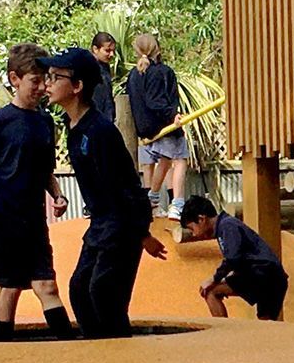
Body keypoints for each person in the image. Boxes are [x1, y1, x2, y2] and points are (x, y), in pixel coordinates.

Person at [42, 46, 158, 337]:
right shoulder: (74, 129)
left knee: (103, 293)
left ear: (77, 86)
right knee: (79, 290)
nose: (48, 83)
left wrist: (141, 233)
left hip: (120, 225)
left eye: (56, 77)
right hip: (101, 223)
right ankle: (98, 353)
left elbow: (125, 184)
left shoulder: (101, 132)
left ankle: (118, 357)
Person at [0, 42, 74, 336]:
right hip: (1, 214)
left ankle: (72, 347)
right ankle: (3, 348)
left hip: (32, 216)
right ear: (15, 79)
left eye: (45, 80)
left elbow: (46, 171)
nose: (41, 87)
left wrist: (58, 195)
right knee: (11, 287)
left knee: (46, 284)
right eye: (34, 81)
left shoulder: (44, 122)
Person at [177, 194, 288, 321]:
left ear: (201, 219)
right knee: (265, 323)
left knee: (210, 291)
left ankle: (224, 332)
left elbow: (233, 258)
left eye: (192, 229)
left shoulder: (227, 226)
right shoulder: (225, 227)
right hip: (271, 276)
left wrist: (214, 279)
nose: (194, 234)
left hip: (263, 274)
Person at [128, 31, 189, 218]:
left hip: (144, 128)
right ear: (157, 49)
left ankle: (152, 197)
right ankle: (177, 203)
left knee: (164, 159)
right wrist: (173, 115)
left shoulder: (134, 75)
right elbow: (157, 101)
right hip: (163, 125)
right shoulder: (161, 72)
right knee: (180, 159)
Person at [84, 31, 123, 132]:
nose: (111, 54)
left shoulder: (105, 67)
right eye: (107, 50)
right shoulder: (86, 67)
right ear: (95, 49)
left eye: (113, 51)